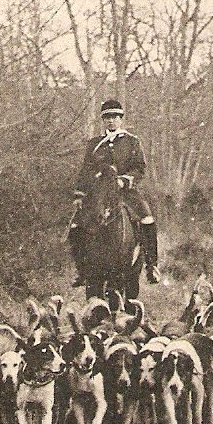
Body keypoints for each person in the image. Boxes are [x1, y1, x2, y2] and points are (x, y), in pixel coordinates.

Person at [71, 99, 160, 285]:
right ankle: (82, 270)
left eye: (115, 117)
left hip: (126, 192)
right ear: (103, 121)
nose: (111, 121)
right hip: (98, 193)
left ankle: (151, 266)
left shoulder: (132, 142)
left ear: (121, 119)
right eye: (107, 118)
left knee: (147, 219)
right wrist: (80, 194)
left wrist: (125, 180)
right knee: (75, 226)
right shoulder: (94, 144)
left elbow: (140, 168)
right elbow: (85, 170)